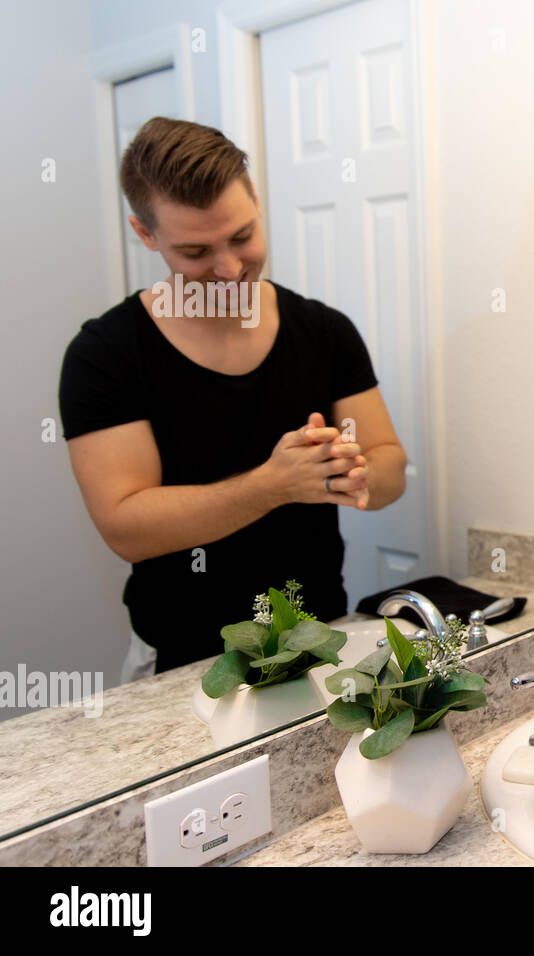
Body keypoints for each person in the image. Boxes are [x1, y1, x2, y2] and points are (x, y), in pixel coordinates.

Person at [59, 117, 407, 678]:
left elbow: (391, 467)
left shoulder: (323, 331)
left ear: (256, 202)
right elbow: (126, 527)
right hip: (181, 660)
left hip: (321, 642)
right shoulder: (106, 353)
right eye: (195, 250)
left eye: (241, 237)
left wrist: (350, 470)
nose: (228, 269)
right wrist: (274, 484)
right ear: (145, 235)